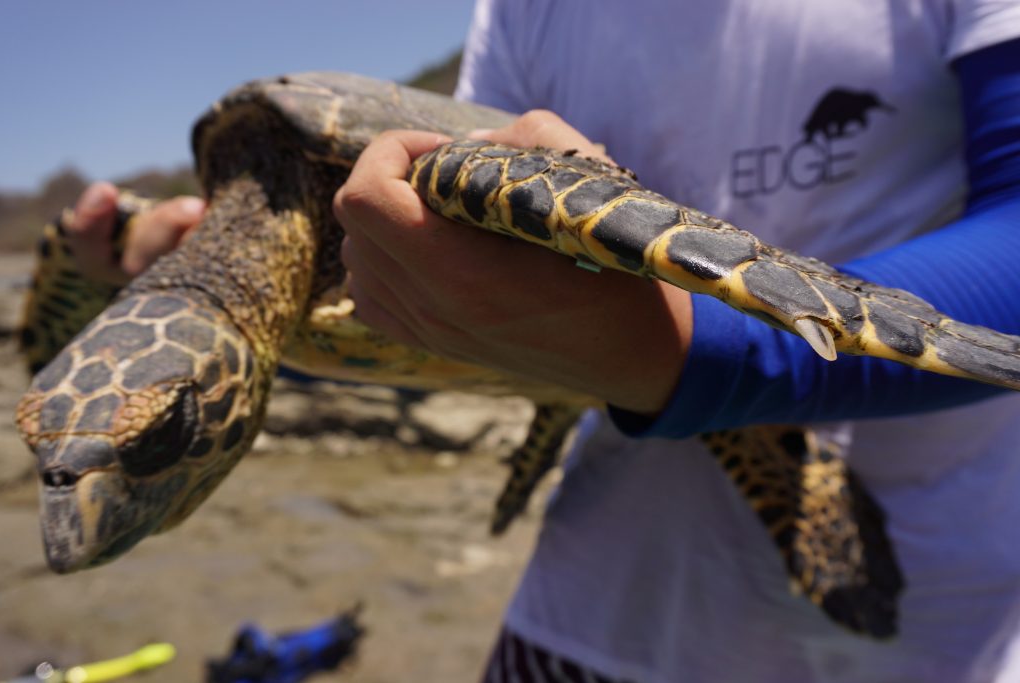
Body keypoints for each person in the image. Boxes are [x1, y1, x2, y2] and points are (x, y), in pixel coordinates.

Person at [62, 1, 1020, 680]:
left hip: (941, 631)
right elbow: (456, 279)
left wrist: (695, 356)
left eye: (155, 441)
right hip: (586, 603)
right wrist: (167, 261)